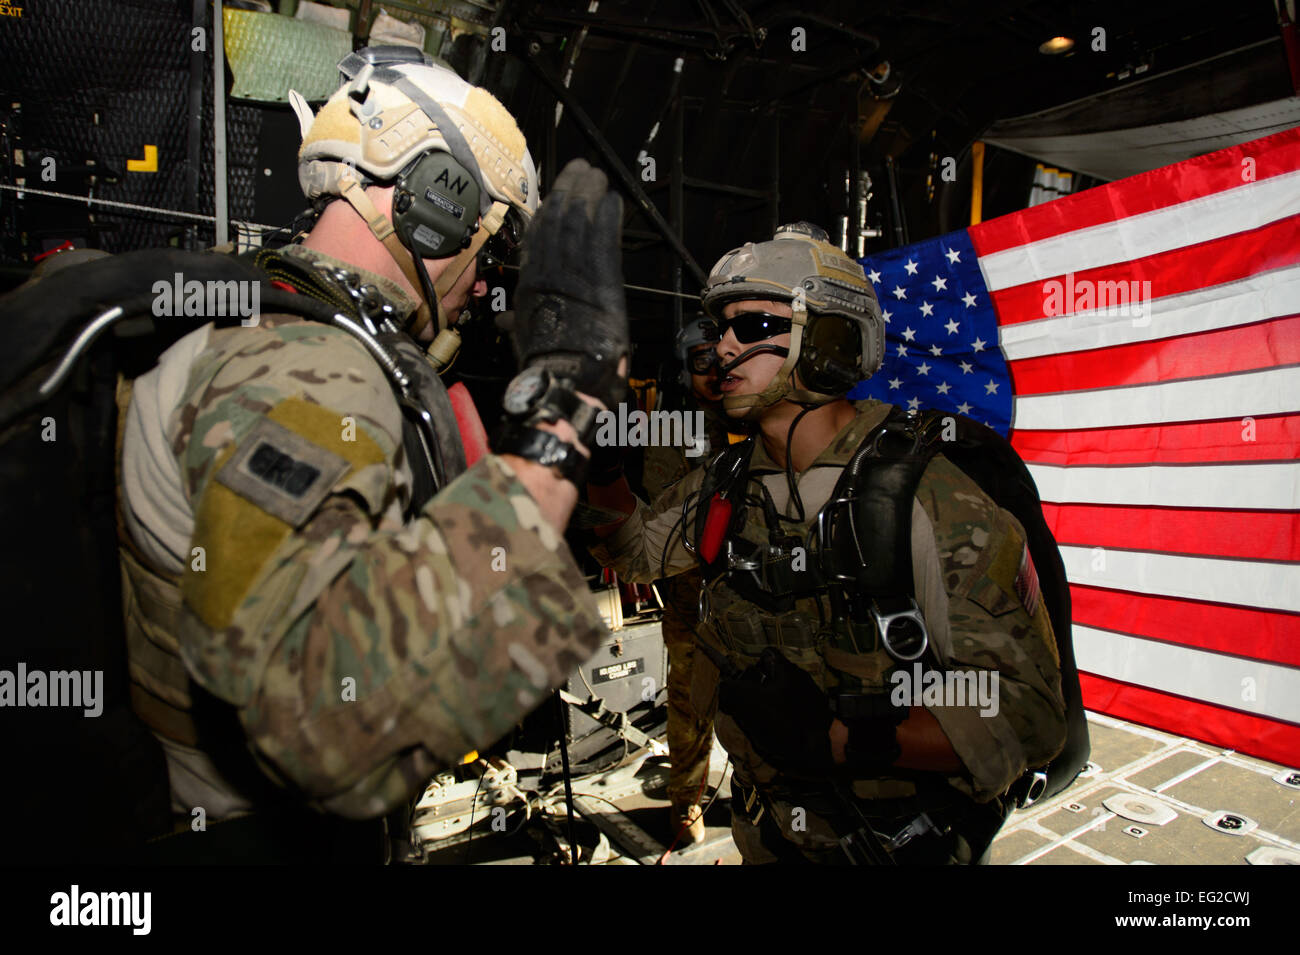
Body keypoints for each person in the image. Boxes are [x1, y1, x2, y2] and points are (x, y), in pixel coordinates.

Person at [115, 47, 628, 860]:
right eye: (490, 246)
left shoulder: (252, 323)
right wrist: (564, 414)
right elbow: (323, 726)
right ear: (439, 202)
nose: (483, 283)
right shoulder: (309, 372)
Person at [589, 222, 1066, 864]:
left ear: (830, 341)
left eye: (753, 326)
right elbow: (637, 554)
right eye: (719, 328)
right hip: (771, 840)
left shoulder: (922, 499)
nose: (722, 346)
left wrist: (837, 738)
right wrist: (601, 469)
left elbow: (1025, 711)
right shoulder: (726, 484)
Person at [638, 316, 730, 845]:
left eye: (722, 359)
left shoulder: (760, 415)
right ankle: (686, 801)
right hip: (695, 591)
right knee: (691, 702)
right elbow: (660, 510)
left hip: (758, 587)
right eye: (703, 363)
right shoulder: (670, 428)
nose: (717, 372)